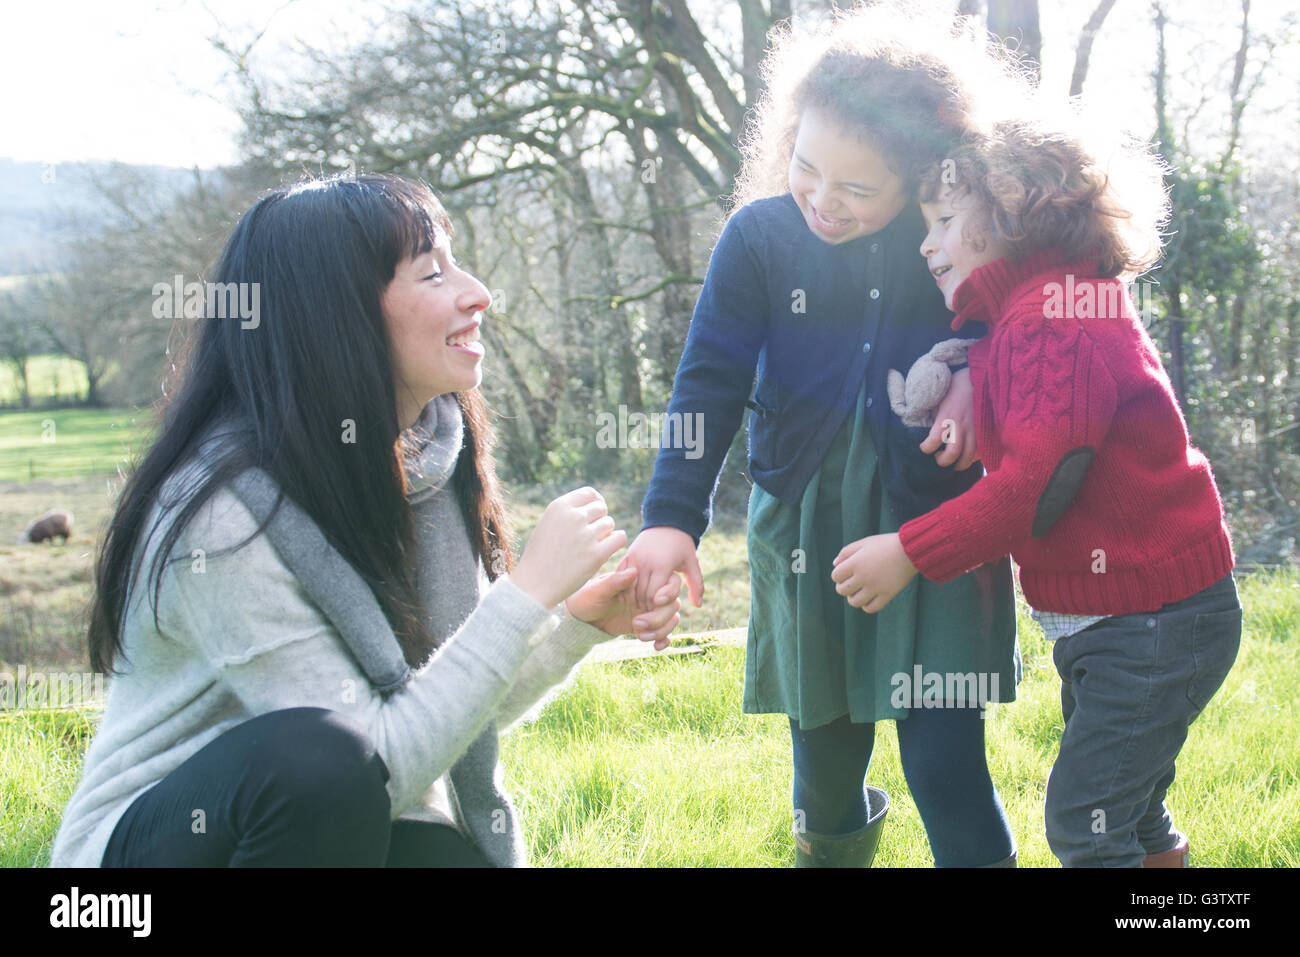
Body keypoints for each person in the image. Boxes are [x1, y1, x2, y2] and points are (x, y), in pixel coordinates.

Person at [50, 173, 681, 868]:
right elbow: (363, 767)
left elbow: (443, 718)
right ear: (336, 312)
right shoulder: (219, 514)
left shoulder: (426, 463)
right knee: (319, 761)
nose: (478, 293)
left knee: (444, 857)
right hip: (135, 869)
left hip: (331, 817)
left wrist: (572, 626)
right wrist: (525, 593)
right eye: (432, 272)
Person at [621, 7, 1022, 867]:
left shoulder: (957, 237)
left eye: (857, 188)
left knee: (946, 760)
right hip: (809, 528)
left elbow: (1017, 323)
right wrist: (671, 518)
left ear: (921, 178)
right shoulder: (758, 239)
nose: (822, 200)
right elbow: (708, 382)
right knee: (827, 769)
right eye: (806, 167)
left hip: (935, 529)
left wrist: (977, 382)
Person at [841, 114, 1241, 866]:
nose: (926, 244)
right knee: (1130, 803)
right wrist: (966, 372)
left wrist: (907, 549)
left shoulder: (1047, 323)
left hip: (1148, 623)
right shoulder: (1055, 304)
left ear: (1015, 215)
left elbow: (1032, 486)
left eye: (946, 222)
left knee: (1085, 821)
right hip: (1148, 617)